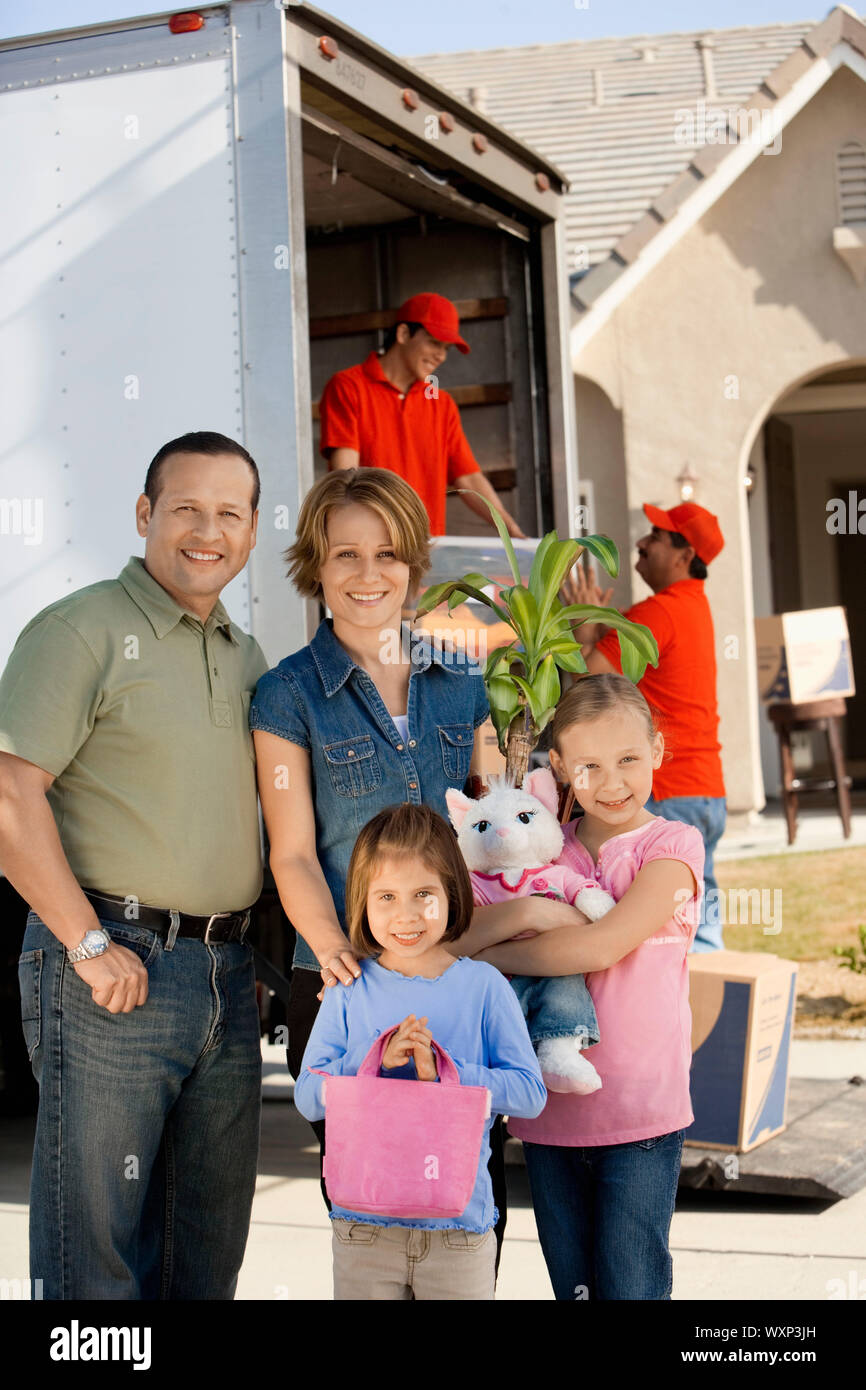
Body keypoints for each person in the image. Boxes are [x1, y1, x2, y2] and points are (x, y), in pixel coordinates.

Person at [0, 432, 267, 1300]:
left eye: (229, 513)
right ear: (146, 513)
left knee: (204, 1255)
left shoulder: (246, 655)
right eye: (186, 508)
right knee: (96, 1260)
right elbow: (9, 796)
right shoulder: (80, 629)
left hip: (226, 974)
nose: (208, 532)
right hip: (114, 964)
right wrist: (86, 946)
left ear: (252, 530)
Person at [250, 467, 516, 1267]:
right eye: (346, 554)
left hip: (451, 980)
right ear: (316, 565)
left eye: (388, 554)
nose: (369, 575)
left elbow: (491, 825)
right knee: (370, 1220)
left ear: (412, 564)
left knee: (468, 1216)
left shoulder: (461, 678)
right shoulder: (286, 694)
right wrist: (338, 950)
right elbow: (292, 852)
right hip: (343, 986)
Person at [456, 675, 704, 1301]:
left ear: (657, 749)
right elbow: (456, 942)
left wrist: (498, 952)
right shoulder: (540, 850)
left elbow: (601, 946)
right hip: (548, 1112)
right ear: (560, 768)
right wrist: (530, 912)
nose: (612, 782)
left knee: (631, 1286)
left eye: (628, 759)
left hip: (641, 1111)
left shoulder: (673, 847)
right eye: (589, 766)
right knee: (574, 1288)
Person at [293, 802, 546, 1300]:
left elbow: (530, 1094)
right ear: (362, 901)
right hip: (363, 1228)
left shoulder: (484, 986)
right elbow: (307, 1096)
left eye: (423, 894)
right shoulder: (347, 988)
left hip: (460, 1230)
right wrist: (371, 1063)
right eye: (386, 896)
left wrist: (448, 1074)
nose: (405, 915)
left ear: (452, 893)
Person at [565, 501, 726, 951]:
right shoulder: (693, 607)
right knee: (695, 927)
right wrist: (598, 623)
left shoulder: (659, 612)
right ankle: (712, 990)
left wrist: (581, 625)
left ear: (683, 555)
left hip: (668, 788)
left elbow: (589, 685)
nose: (641, 541)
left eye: (655, 536)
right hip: (705, 790)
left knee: (653, 936)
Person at [318, 291, 525, 538]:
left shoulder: (441, 403)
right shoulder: (348, 386)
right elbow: (346, 475)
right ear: (403, 334)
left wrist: (512, 532)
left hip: (425, 549)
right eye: (435, 343)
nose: (441, 356)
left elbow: (469, 478)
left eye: (446, 348)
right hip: (370, 545)